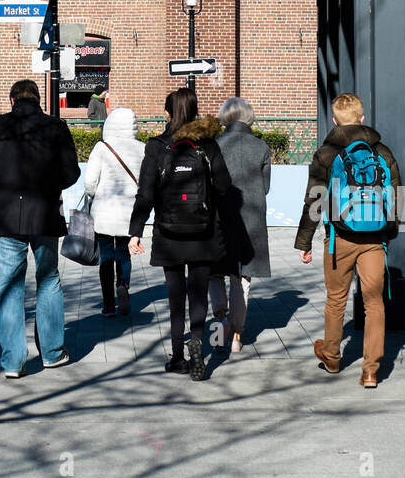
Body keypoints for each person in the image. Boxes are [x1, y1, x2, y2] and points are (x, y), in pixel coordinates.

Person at [295, 92, 401, 389]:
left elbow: (314, 200)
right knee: (374, 302)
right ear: (362, 118)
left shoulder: (326, 154)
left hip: (339, 238)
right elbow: (398, 195)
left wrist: (304, 242)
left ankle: (331, 356)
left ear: (334, 120)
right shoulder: (382, 152)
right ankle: (370, 370)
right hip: (374, 240)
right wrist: (387, 234)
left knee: (336, 299)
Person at [0, 79, 80, 378]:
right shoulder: (55, 127)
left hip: (7, 214)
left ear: (12, 100)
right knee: (48, 280)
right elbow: (71, 172)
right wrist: (49, 184)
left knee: (11, 286)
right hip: (43, 212)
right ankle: (51, 352)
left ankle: (13, 362)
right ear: (38, 100)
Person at [128, 87, 232, 380]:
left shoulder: (157, 146)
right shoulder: (209, 146)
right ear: (196, 111)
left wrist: (135, 232)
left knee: (176, 297)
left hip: (169, 235)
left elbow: (145, 193)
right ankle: (197, 343)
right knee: (199, 295)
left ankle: (176, 356)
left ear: (167, 113)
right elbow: (224, 189)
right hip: (203, 232)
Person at [209, 97, 271, 353]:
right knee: (241, 277)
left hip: (218, 217)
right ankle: (236, 335)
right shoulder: (261, 147)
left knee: (214, 273)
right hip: (250, 218)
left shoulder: (214, 145)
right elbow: (265, 188)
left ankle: (220, 321)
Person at [84, 106, 144, 317]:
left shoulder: (102, 147)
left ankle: (109, 305)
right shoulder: (141, 148)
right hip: (130, 212)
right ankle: (123, 285)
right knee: (125, 255)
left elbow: (90, 183)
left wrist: (93, 195)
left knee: (106, 257)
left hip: (104, 211)